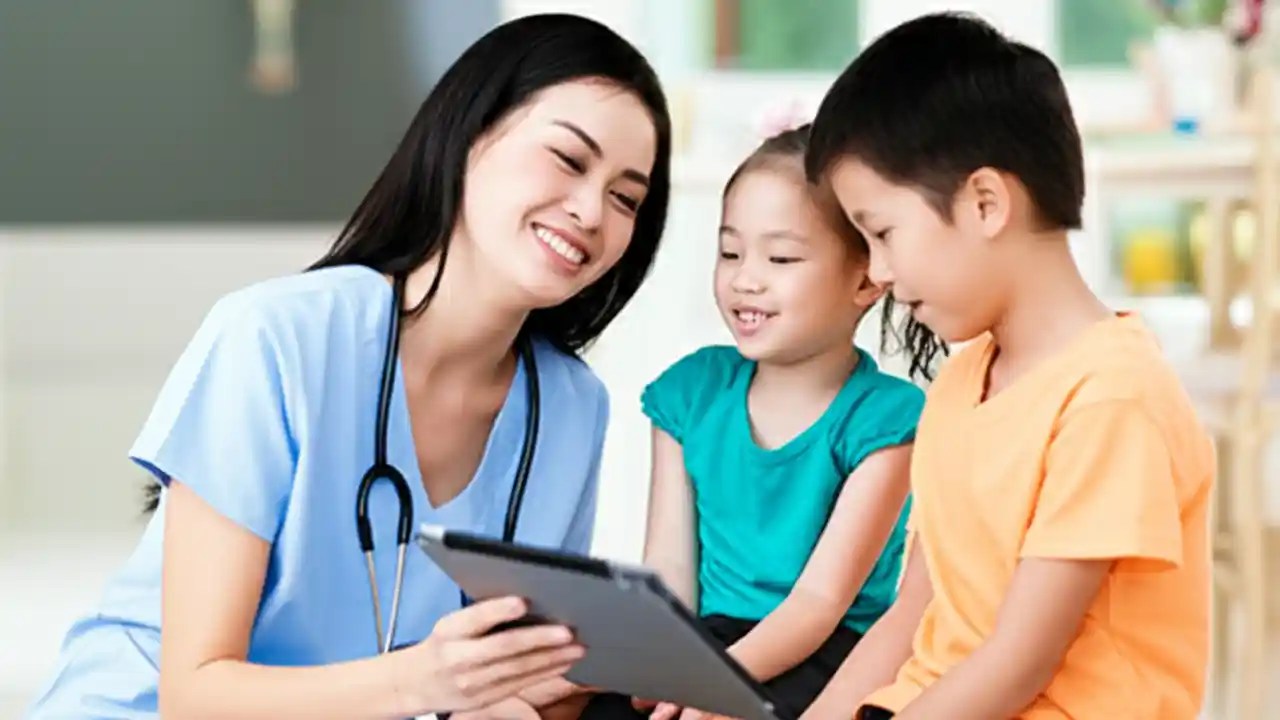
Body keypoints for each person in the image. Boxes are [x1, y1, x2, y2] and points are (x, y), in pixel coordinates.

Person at [26, 13, 671, 720]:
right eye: (569, 160)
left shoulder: (572, 406)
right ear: (470, 134)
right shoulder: (277, 338)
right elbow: (195, 694)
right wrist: (428, 680)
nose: (590, 211)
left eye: (626, 198)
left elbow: (511, 685)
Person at [800, 12, 1215, 720]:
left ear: (986, 202)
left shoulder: (1111, 399)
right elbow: (912, 618)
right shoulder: (963, 383)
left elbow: (1018, 663)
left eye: (883, 232)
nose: (880, 271)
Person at [583, 124, 939, 720]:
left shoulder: (887, 420)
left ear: (865, 279)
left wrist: (711, 684)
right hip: (706, 639)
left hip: (825, 653)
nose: (745, 278)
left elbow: (820, 603)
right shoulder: (689, 394)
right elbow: (668, 573)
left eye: (780, 257)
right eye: (729, 252)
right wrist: (661, 668)